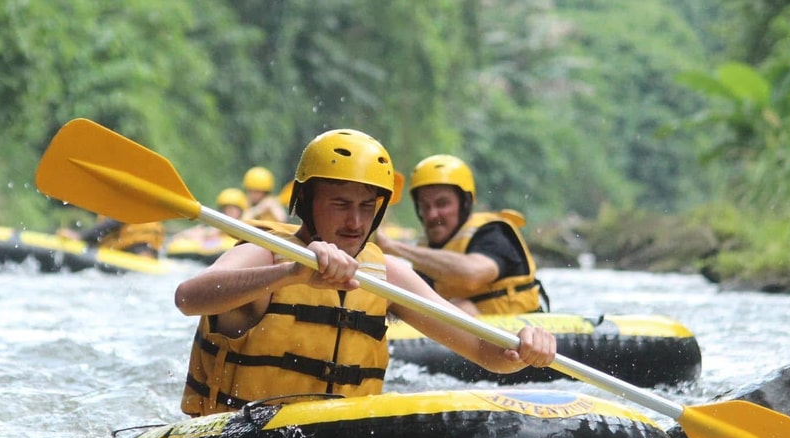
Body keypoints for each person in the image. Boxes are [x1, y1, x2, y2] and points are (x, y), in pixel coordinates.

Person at [174, 129, 556, 417]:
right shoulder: (266, 254)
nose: (356, 221)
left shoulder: (385, 273)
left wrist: (522, 350)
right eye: (340, 203)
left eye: (366, 205)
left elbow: (485, 352)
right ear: (305, 201)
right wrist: (291, 273)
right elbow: (189, 297)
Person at [374, 154, 549, 316]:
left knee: (463, 307)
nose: (432, 214)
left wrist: (391, 247)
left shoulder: (493, 233)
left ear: (465, 203)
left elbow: (471, 275)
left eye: (442, 203)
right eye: (425, 206)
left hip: (521, 331)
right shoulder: (426, 249)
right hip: (461, 338)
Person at [57, 216, 166, 258]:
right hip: (150, 251)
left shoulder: (122, 205)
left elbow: (109, 225)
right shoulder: (145, 205)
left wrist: (80, 237)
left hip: (133, 250)